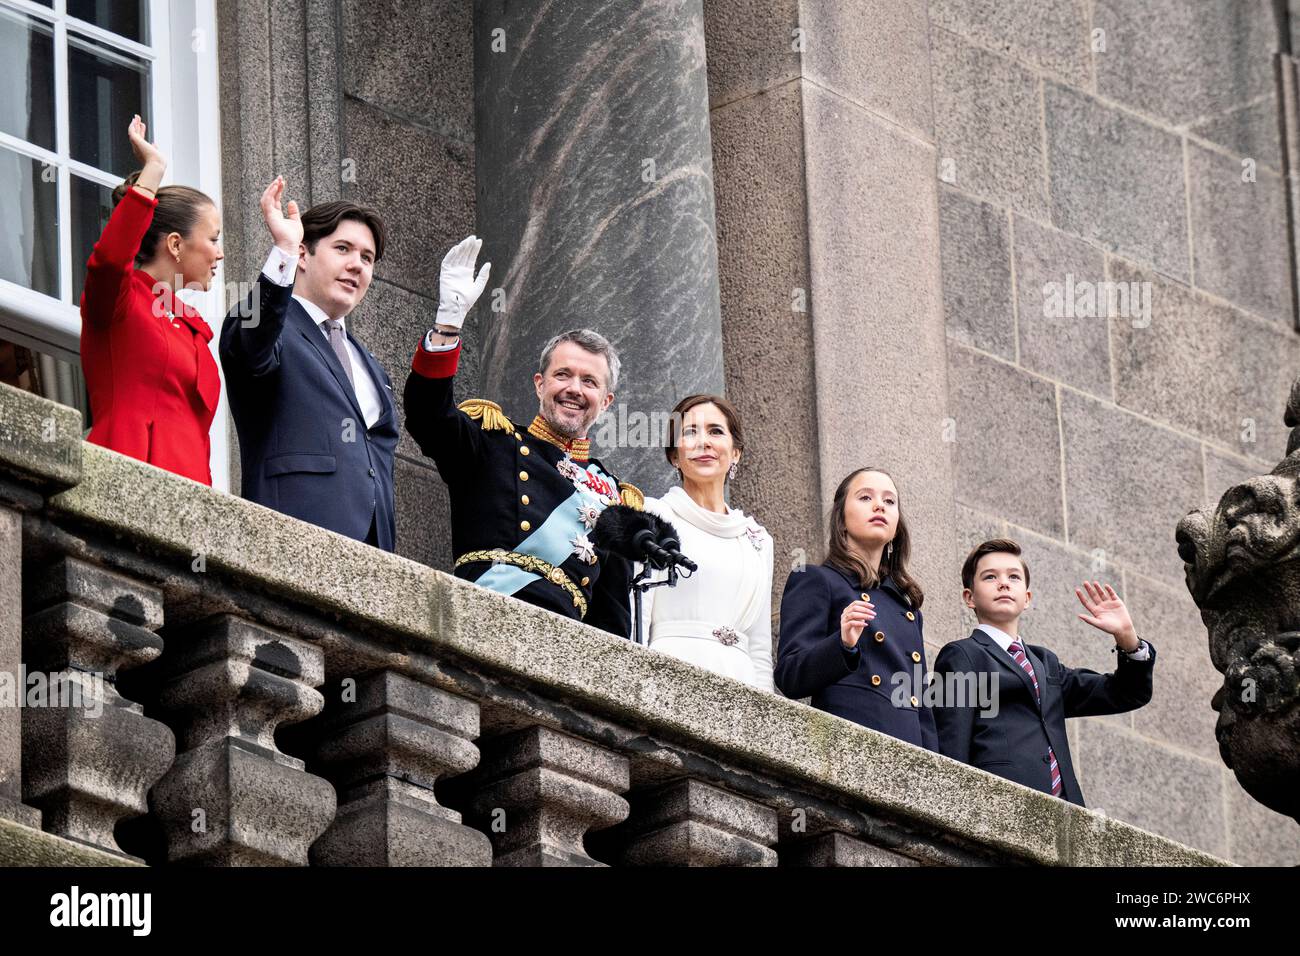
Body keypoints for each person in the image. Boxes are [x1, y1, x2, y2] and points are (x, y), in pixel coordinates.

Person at [403, 278, 641, 636]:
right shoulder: (492, 441)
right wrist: (448, 324)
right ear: (539, 383)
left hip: (563, 651)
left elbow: (612, 623)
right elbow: (427, 415)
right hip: (480, 623)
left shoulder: (614, 499)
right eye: (563, 374)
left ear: (605, 402)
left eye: (590, 382)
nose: (574, 389)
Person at [220, 179, 408, 549]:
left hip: (375, 561)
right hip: (291, 539)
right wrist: (283, 254)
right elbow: (250, 347)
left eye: (367, 258)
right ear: (304, 255)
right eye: (343, 249)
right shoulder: (270, 326)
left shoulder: (370, 365)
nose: (357, 265)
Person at [932, 538, 1155, 806]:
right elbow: (951, 742)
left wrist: (1127, 637)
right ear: (970, 597)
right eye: (990, 577)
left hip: (1065, 812)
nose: (1003, 583)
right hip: (999, 803)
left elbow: (1126, 694)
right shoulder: (962, 655)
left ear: (1027, 598)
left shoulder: (1044, 662)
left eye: (1014, 577)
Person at [80, 115, 222, 484]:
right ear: (175, 244)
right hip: (123, 477)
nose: (219, 254)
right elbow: (109, 260)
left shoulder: (193, 332)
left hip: (192, 501)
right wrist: (154, 171)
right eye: (213, 239)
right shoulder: (120, 302)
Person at [775, 467, 936, 750]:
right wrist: (843, 645)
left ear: (897, 526)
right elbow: (790, 676)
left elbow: (922, 707)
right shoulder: (815, 579)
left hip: (909, 755)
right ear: (842, 519)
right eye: (865, 497)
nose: (879, 506)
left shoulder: (907, 608)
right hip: (848, 745)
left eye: (889, 501)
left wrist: (936, 770)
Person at [636, 394, 773, 690]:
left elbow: (760, 647)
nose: (704, 442)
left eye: (715, 431)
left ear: (735, 452)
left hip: (741, 681)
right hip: (669, 674)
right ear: (674, 455)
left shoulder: (758, 539)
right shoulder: (653, 514)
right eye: (690, 432)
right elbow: (638, 613)